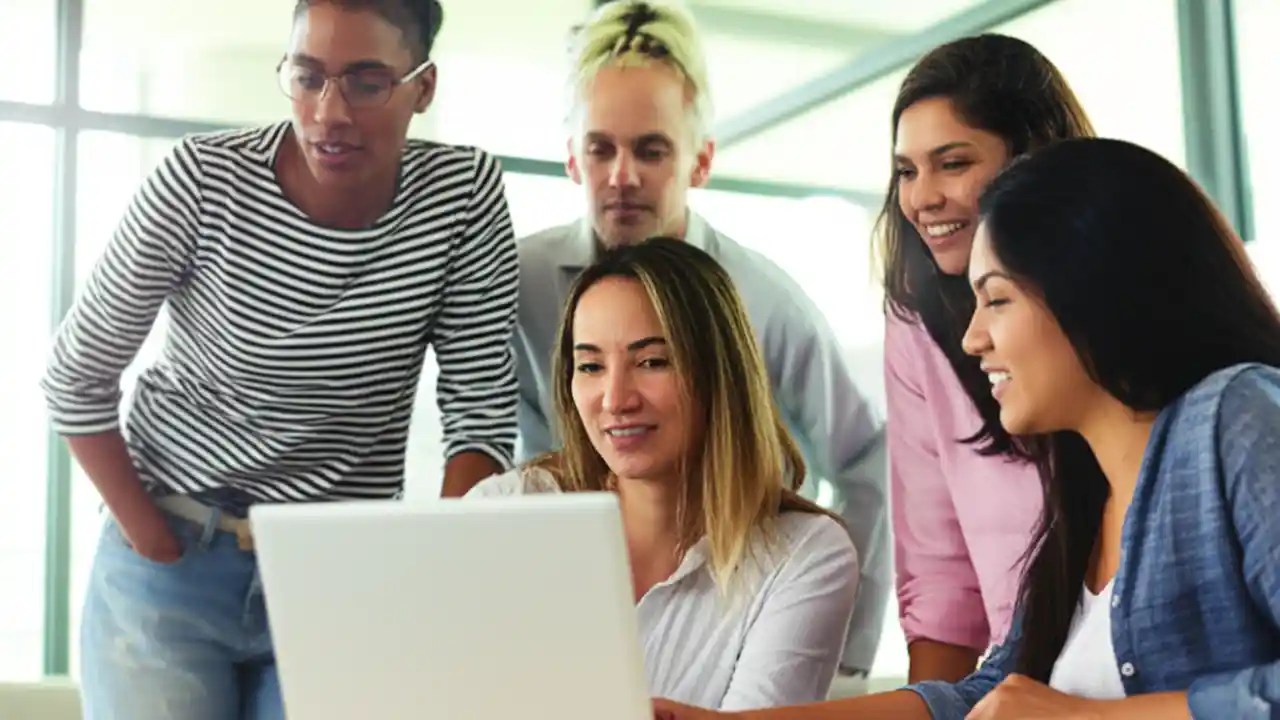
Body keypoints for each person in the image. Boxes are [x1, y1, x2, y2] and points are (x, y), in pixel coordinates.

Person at [654, 138, 1280, 719]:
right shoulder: (1083, 502)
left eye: (998, 299)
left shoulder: (1234, 417)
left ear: (1092, 287)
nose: (972, 338)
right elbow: (981, 698)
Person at [40, 1, 518, 717]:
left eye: (366, 82)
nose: (329, 113)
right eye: (306, 76)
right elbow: (73, 376)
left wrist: (438, 573)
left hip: (339, 578)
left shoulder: (464, 196)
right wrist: (152, 538)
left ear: (423, 86)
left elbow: (479, 410)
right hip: (170, 561)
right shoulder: (202, 180)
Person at [513, 0, 889, 679]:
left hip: (733, 616)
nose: (622, 176)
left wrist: (846, 657)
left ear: (700, 160)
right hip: (578, 622)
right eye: (601, 149)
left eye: (651, 150)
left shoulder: (763, 300)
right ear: (573, 159)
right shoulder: (524, 284)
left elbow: (868, 458)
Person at [471, 237, 859, 710]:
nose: (615, 399)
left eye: (652, 361)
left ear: (719, 371)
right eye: (590, 365)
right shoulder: (506, 509)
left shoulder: (803, 555)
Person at [878, 34, 1095, 683]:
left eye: (952, 163)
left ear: (1031, 161)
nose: (921, 199)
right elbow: (941, 575)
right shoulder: (917, 319)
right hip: (1021, 684)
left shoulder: (1217, 405)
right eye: (907, 171)